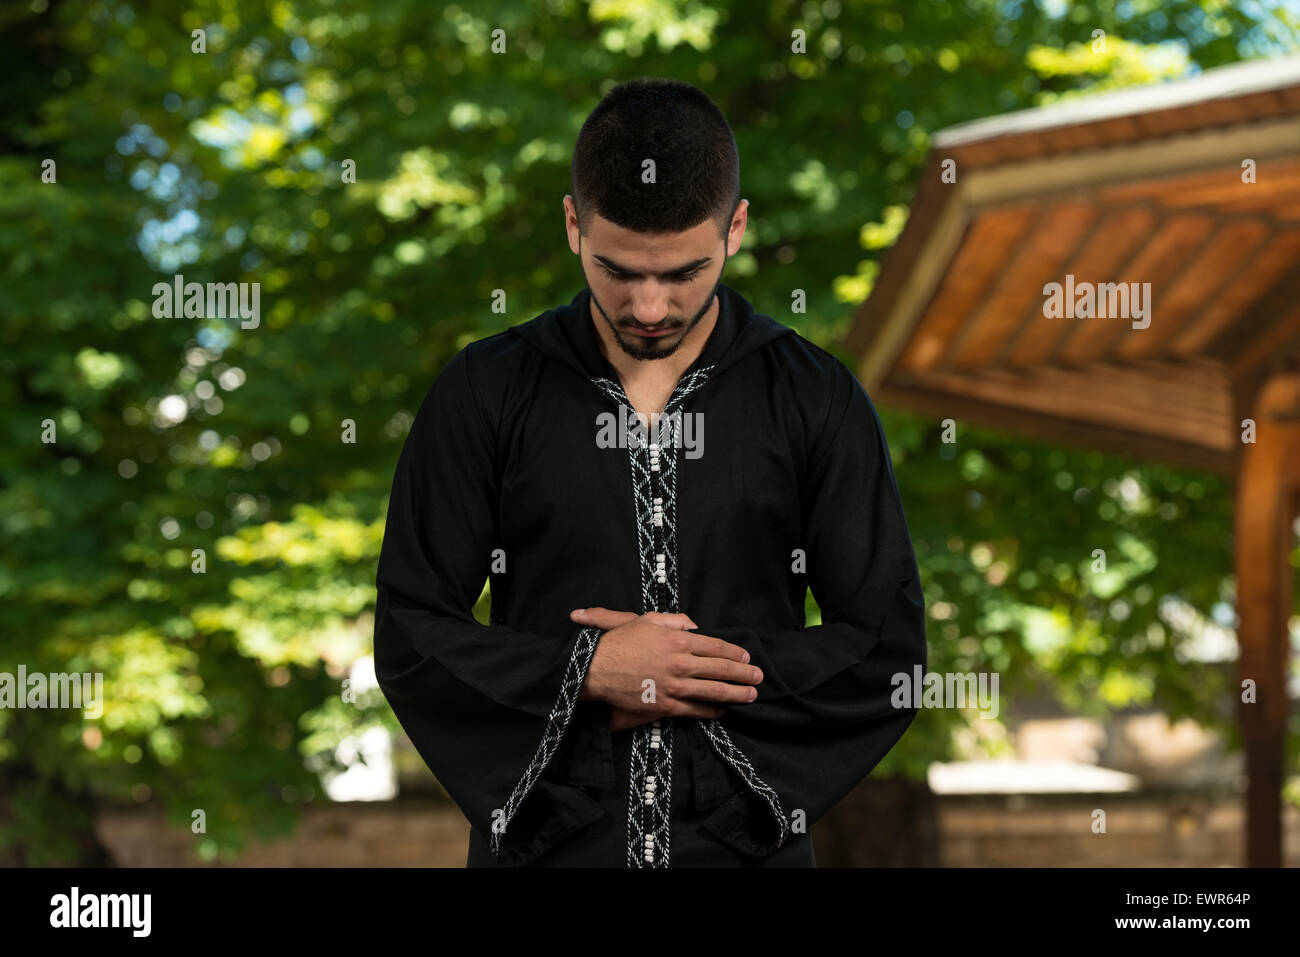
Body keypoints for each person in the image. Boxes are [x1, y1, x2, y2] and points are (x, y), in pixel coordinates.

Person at [373, 77, 927, 867]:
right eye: (620, 269)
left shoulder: (815, 395)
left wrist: (688, 676)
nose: (651, 305)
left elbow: (884, 646)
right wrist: (588, 675)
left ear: (735, 229)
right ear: (573, 223)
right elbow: (412, 629)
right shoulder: (483, 391)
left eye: (683, 273)